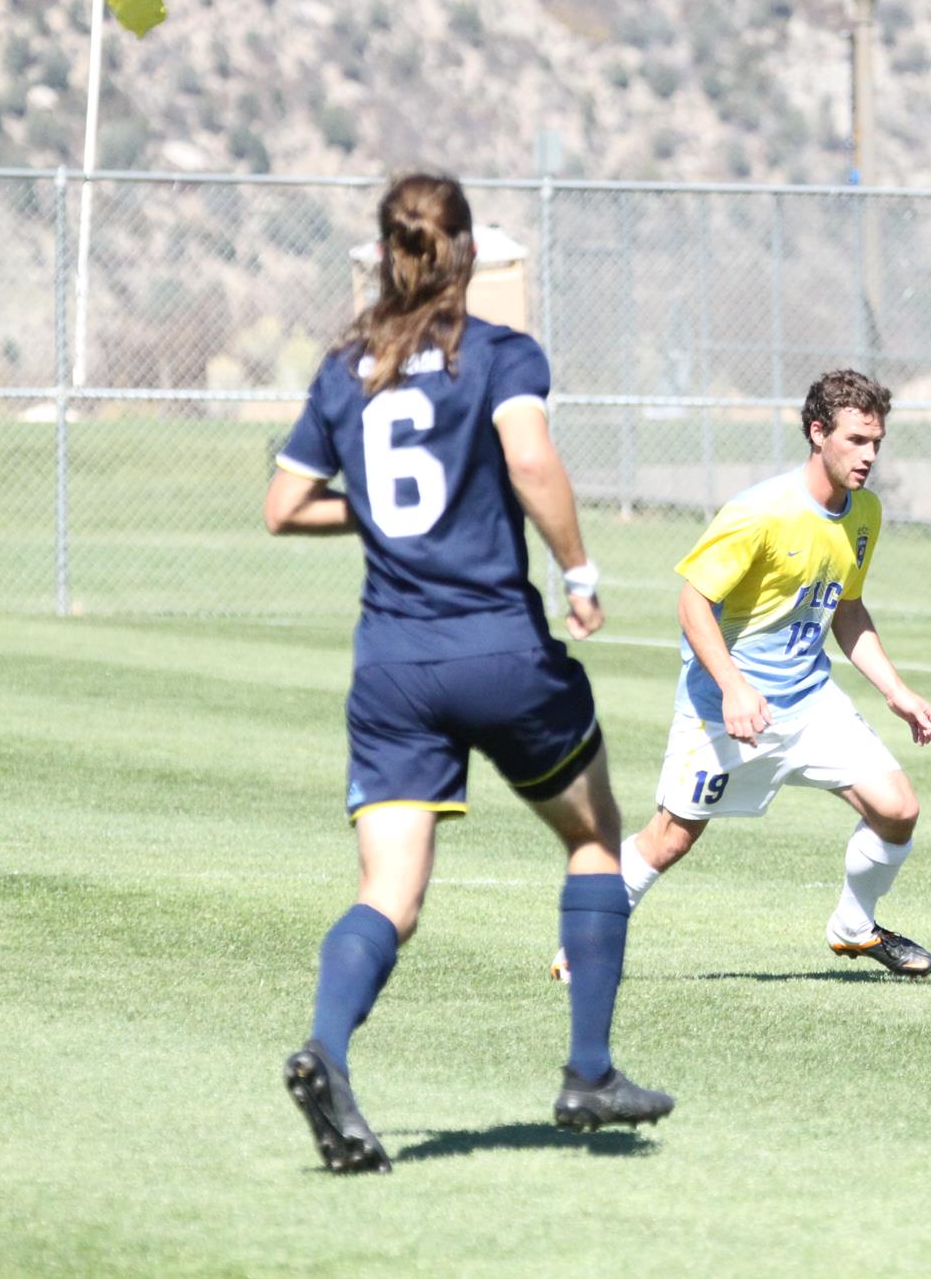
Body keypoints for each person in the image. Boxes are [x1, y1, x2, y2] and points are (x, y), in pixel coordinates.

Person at [264, 173, 671, 1175]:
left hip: (392, 664)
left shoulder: (341, 370)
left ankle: (327, 1047)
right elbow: (530, 461)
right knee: (592, 835)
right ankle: (587, 1070)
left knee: (389, 893)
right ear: (467, 258)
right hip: (495, 647)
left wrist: (382, 516)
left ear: (385, 254)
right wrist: (578, 570)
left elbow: (281, 505)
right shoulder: (498, 353)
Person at [553, 369, 931, 983]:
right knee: (670, 841)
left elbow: (844, 606)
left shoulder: (864, 512)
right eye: (856, 441)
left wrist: (895, 691)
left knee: (898, 808)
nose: (869, 456)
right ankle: (584, 940)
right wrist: (734, 686)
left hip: (810, 702)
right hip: (725, 712)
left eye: (876, 443)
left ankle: (853, 926)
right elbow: (691, 602)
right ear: (818, 433)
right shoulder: (762, 512)